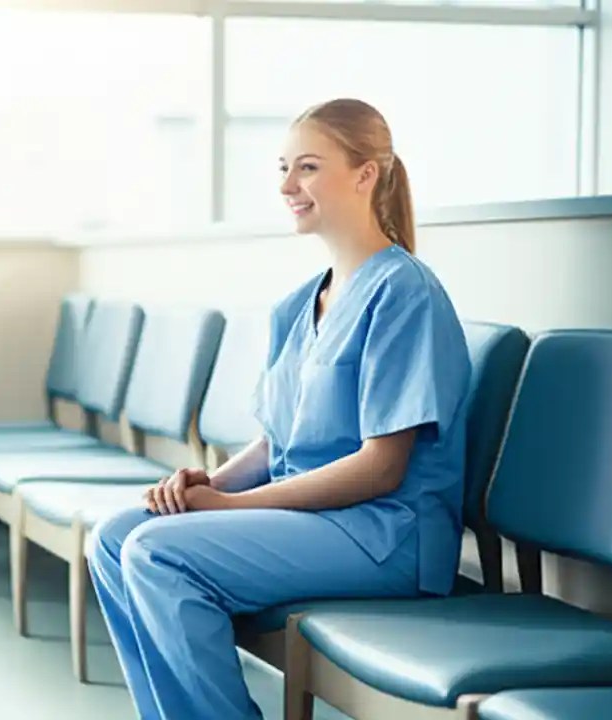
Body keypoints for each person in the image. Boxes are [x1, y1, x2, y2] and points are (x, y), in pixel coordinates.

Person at [87, 98, 472, 720]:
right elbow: (275, 444)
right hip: (309, 522)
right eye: (284, 168)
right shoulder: (299, 304)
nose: (289, 186)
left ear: (365, 174)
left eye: (309, 168)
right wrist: (205, 485)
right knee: (113, 539)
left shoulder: (406, 293)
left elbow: (381, 469)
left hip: (384, 535)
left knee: (159, 554)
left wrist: (232, 507)